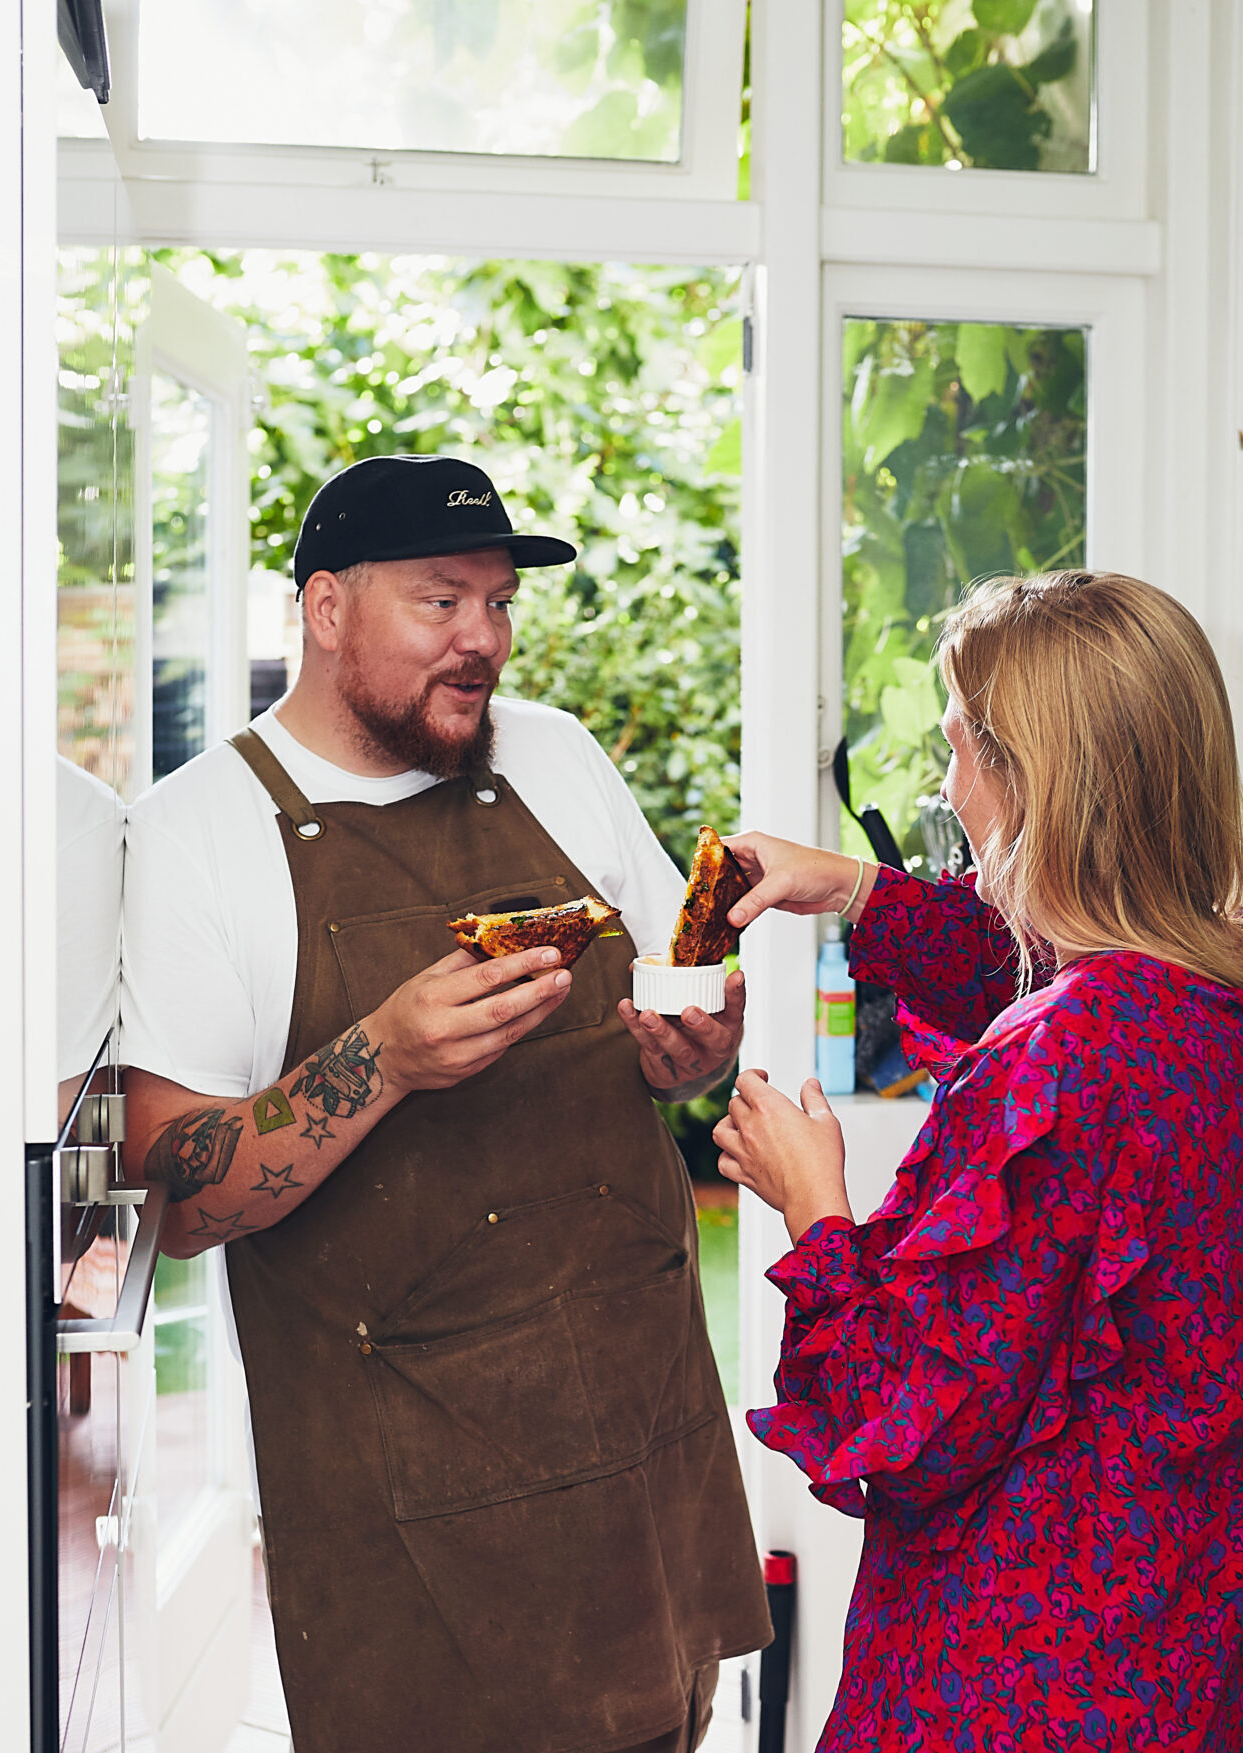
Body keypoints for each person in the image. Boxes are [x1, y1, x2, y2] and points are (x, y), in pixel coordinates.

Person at [121, 454, 771, 1753]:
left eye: (499, 603)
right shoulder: (198, 832)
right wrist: (386, 1056)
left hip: (638, 1448)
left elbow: (669, 1030)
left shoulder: (559, 758)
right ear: (323, 608)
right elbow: (182, 1190)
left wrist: (693, 1043)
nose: (483, 639)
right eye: (440, 602)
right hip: (409, 1517)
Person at [713, 571, 1243, 1751]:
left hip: (1021, 1678)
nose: (947, 789)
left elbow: (909, 1417)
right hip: (1192, 1646)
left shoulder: (1061, 1059)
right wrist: (856, 887)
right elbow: (1075, 970)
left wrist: (815, 1208)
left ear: (1032, 783)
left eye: (960, 753)